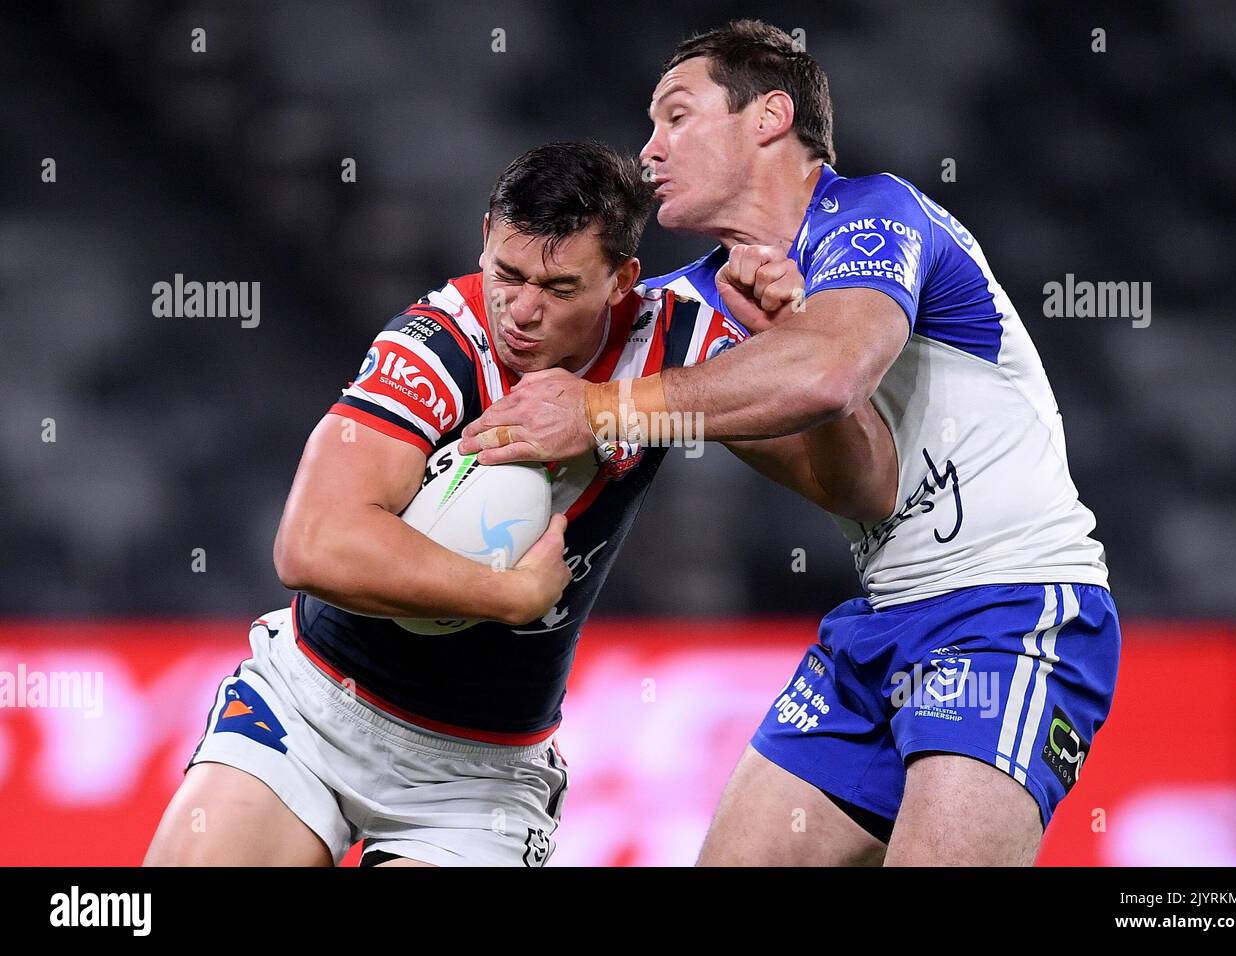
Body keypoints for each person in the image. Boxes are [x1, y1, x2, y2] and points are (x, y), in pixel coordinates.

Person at [458, 22, 1121, 866]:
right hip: (880, 625)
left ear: (770, 115)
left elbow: (827, 372)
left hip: (1010, 611)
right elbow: (860, 490)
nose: (649, 149)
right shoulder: (696, 306)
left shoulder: (874, 214)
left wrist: (603, 408)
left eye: (676, 117)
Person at [145, 140, 893, 867]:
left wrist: (790, 342)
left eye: (559, 288)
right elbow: (310, 546)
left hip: (479, 778)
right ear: (484, 242)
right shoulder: (438, 345)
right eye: (508, 274)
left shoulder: (675, 351)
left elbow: (859, 487)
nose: (522, 310)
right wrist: (506, 594)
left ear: (622, 279)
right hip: (310, 712)